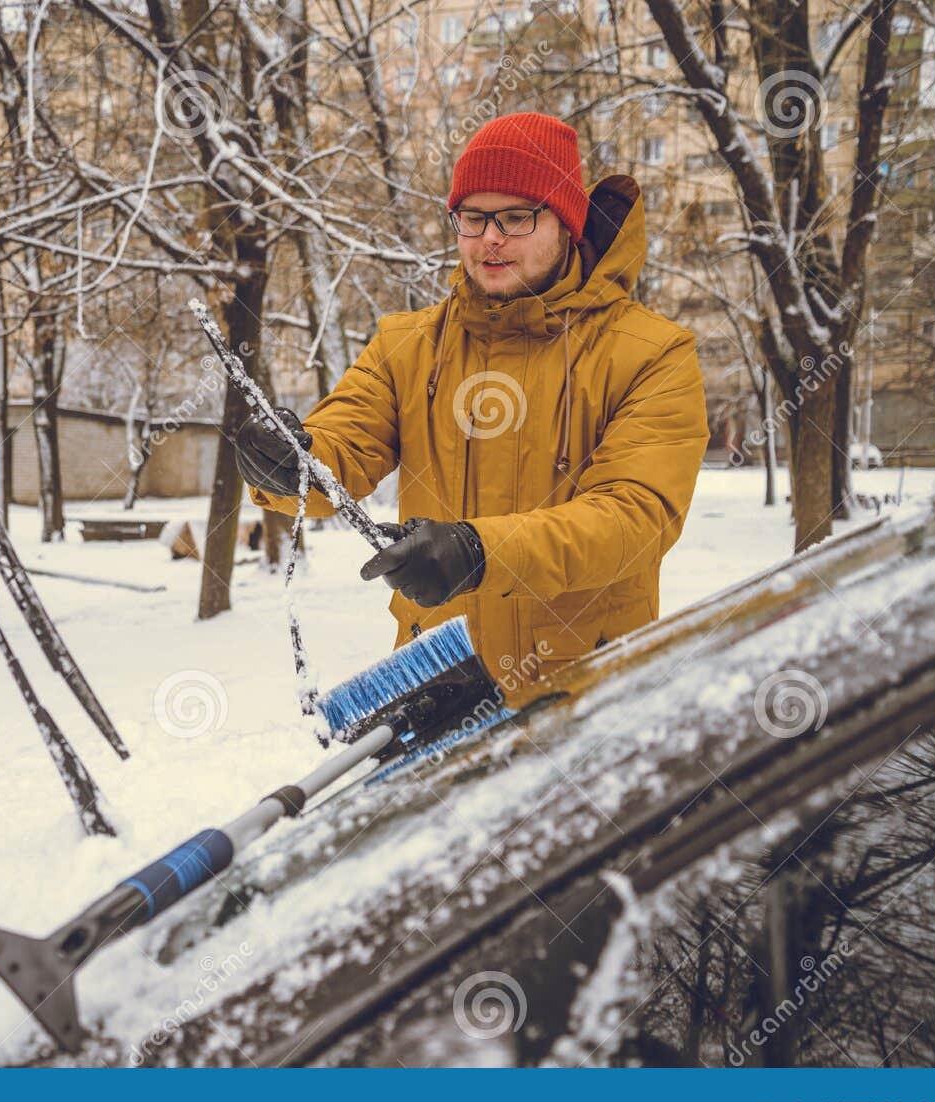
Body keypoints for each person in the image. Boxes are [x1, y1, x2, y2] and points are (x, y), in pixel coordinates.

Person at [236, 112, 709, 684]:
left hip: (587, 684)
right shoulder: (408, 344)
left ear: (566, 224)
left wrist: (482, 550)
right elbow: (343, 447)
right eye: (474, 217)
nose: (490, 238)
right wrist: (291, 463)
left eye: (516, 217)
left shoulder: (651, 352)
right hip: (438, 677)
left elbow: (635, 519)